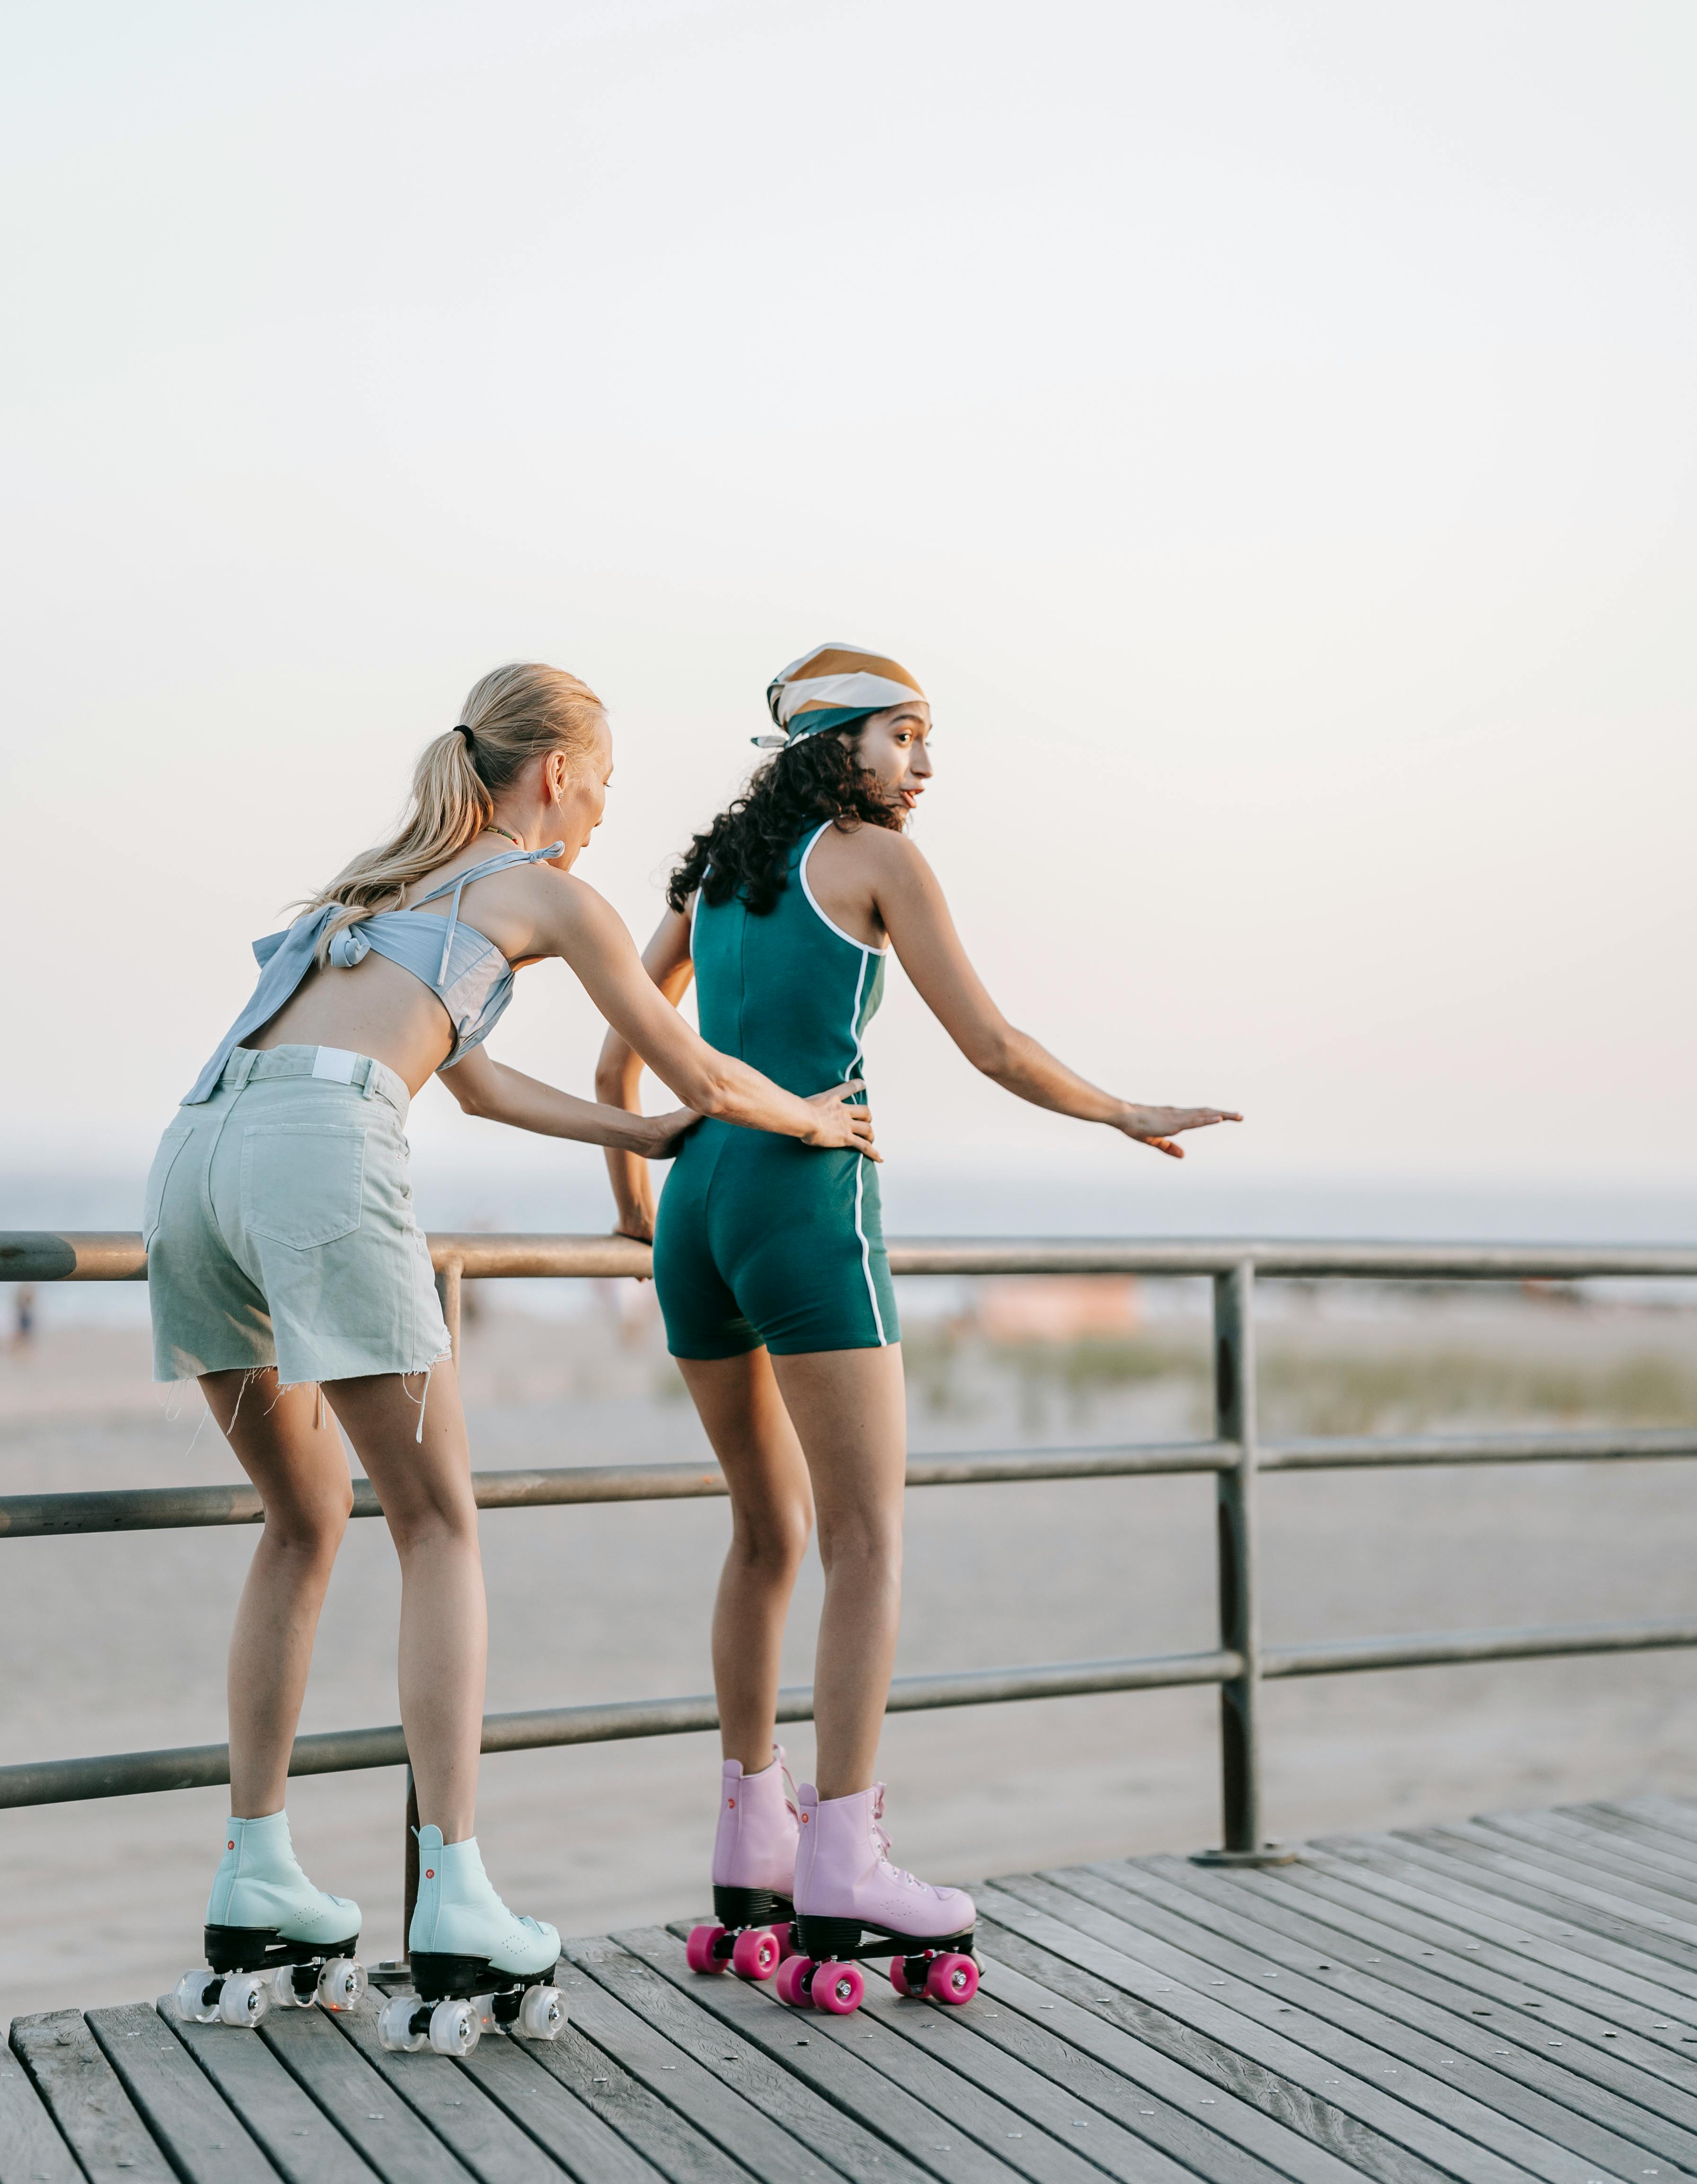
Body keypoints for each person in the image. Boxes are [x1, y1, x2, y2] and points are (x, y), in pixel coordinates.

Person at [145, 661, 875, 2029]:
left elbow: (469, 1077)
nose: (601, 817)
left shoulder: (377, 890)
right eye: (600, 787)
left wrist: (634, 1139)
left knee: (303, 1524)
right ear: (553, 774)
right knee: (438, 1526)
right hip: (317, 1154)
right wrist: (809, 1121)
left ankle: (258, 1878)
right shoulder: (540, 887)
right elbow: (696, 1061)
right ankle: (455, 1894)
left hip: (198, 1157)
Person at [596, 642, 1238, 2000]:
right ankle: (844, 1860)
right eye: (907, 738)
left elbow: (616, 1057)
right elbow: (994, 1048)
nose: (925, 767)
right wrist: (1125, 1109)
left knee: (764, 1533)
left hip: (698, 1202)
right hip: (808, 1199)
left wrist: (637, 1210)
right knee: (868, 1535)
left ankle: (748, 1839)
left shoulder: (713, 878)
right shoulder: (877, 864)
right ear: (842, 746)